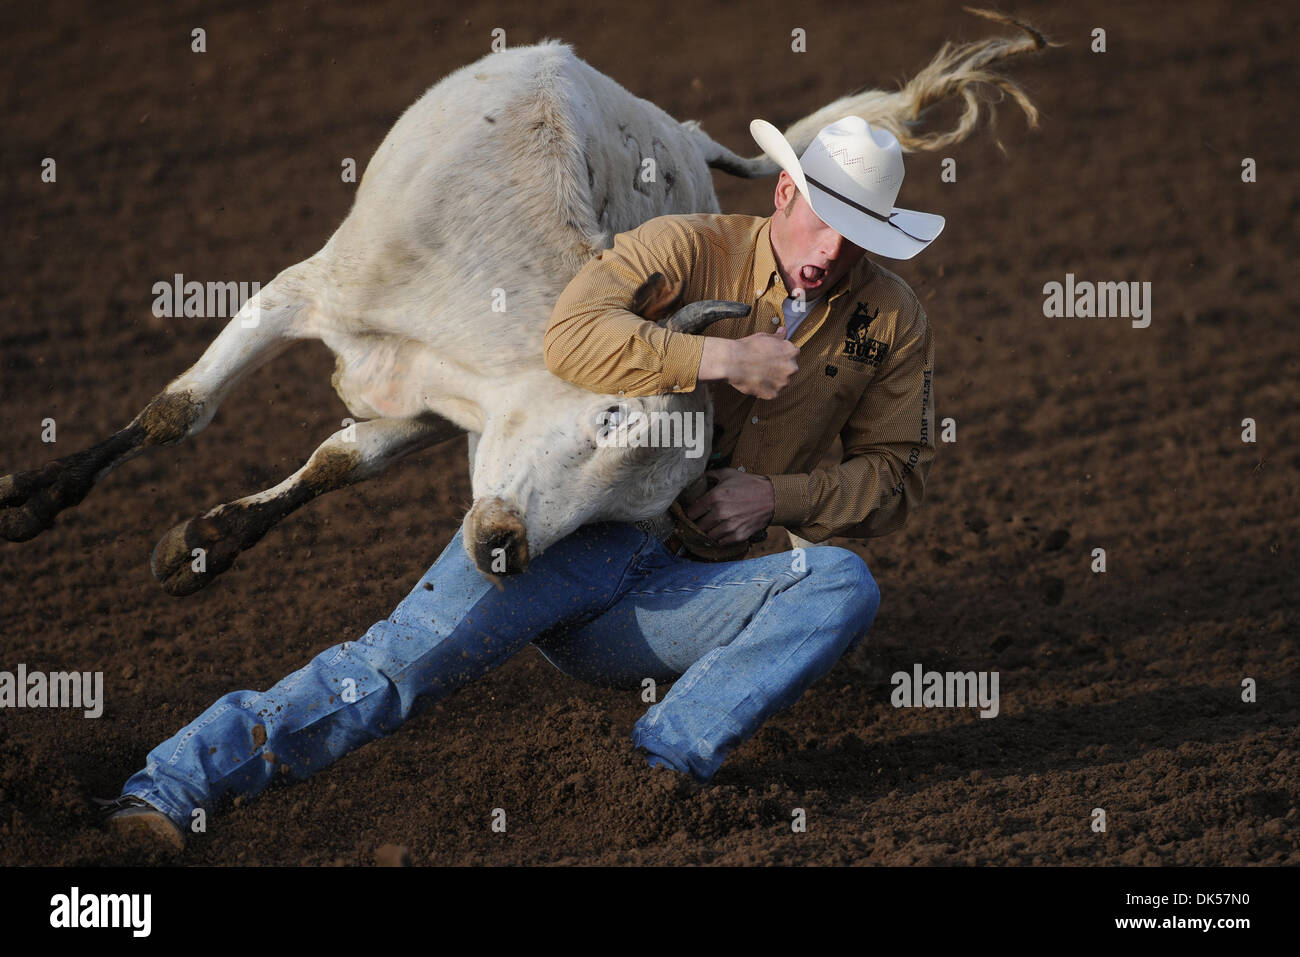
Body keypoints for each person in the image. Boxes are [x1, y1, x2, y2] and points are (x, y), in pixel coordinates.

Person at [99, 116, 940, 852]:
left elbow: (899, 473)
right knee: (395, 669)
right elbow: (570, 335)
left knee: (838, 583)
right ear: (785, 194)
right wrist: (716, 356)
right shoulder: (686, 248)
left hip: (677, 591)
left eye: (859, 236)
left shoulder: (891, 318)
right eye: (823, 221)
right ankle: (170, 788)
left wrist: (774, 499)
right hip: (565, 527)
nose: (833, 252)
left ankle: (660, 771)